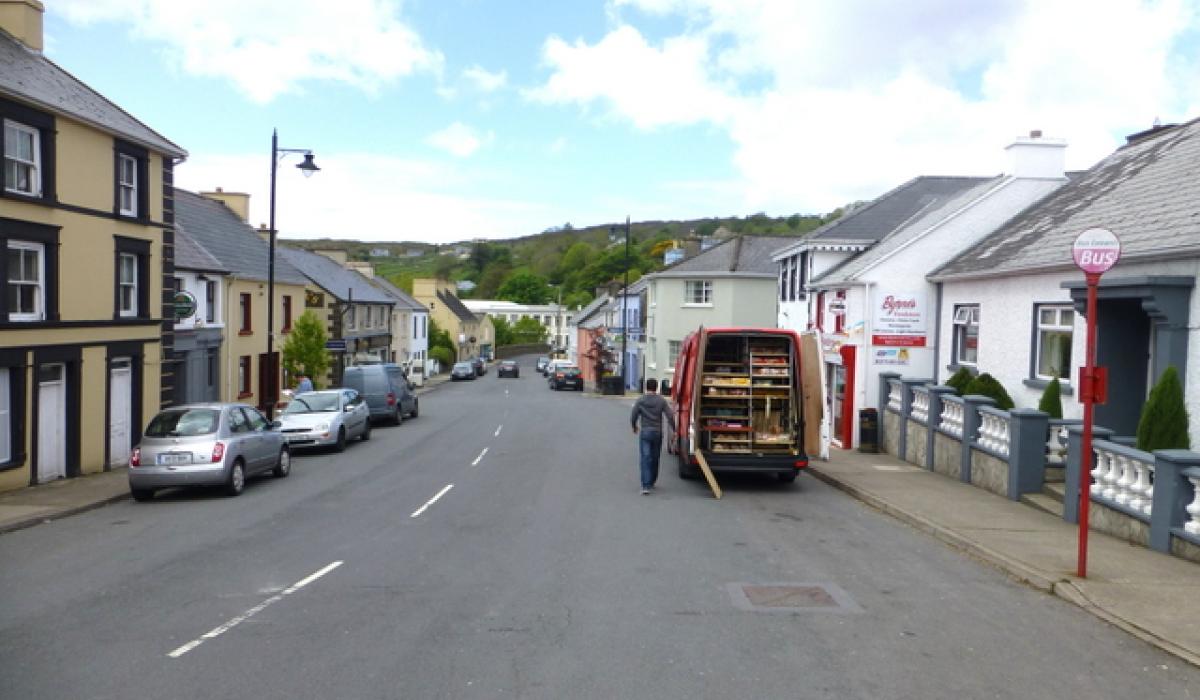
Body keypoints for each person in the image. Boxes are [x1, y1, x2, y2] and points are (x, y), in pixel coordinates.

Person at [631, 378, 675, 495]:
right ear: (657, 388)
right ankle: (652, 480)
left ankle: (645, 486)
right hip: (657, 433)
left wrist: (634, 426)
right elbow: (670, 415)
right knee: (655, 457)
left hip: (645, 432)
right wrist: (674, 429)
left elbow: (634, 414)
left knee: (645, 458)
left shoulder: (641, 400)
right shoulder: (661, 401)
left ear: (646, 387)